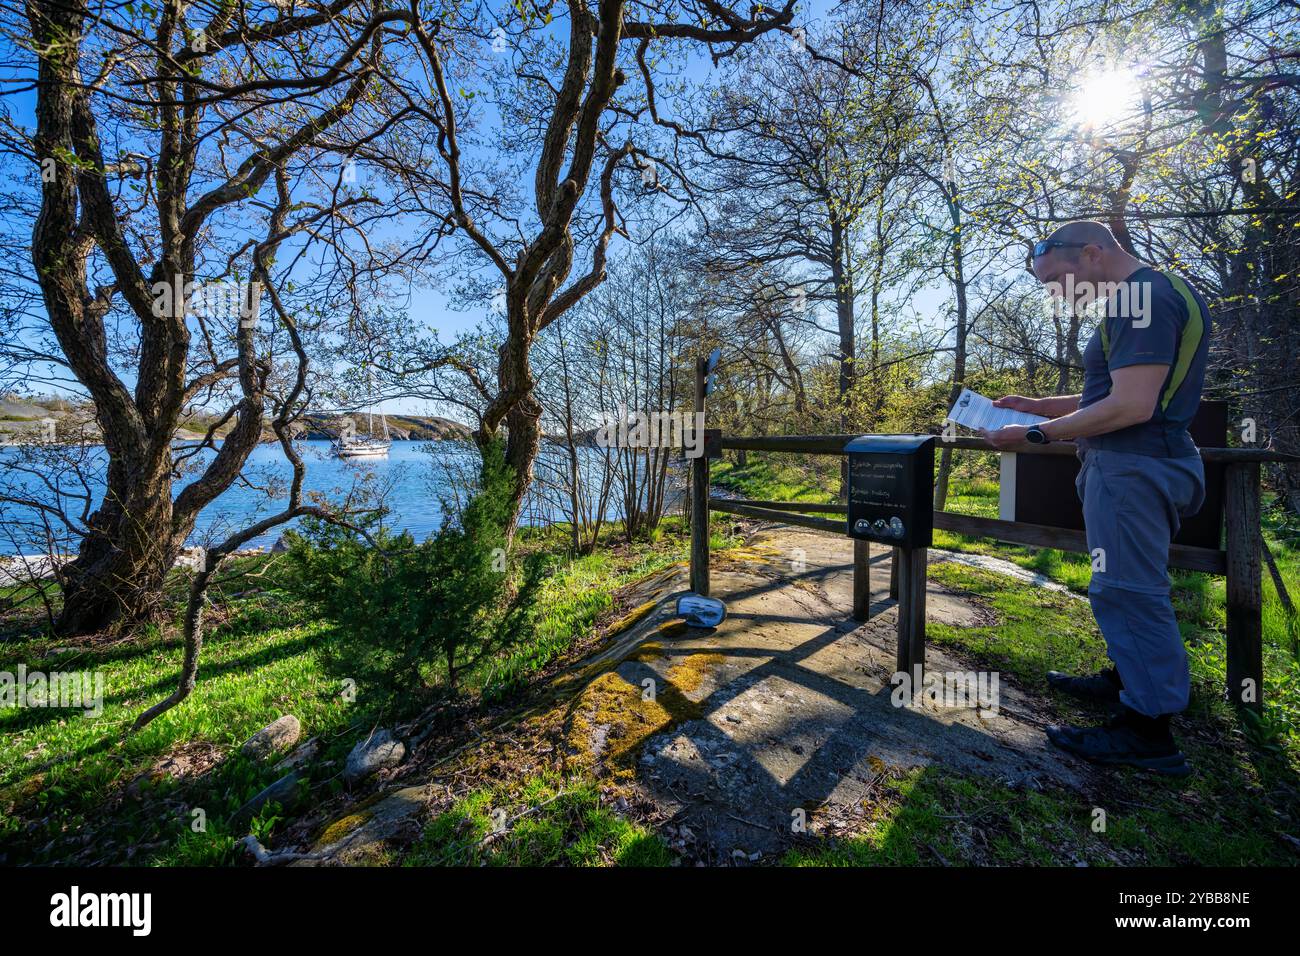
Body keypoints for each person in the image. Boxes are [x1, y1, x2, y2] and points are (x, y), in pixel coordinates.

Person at [981, 221, 1210, 777]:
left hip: (1133, 465)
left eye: (1059, 278)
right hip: (1137, 462)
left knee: (1128, 591)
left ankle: (1148, 731)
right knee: (1128, 582)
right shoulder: (1157, 292)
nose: (1057, 293)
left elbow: (1131, 406)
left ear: (1091, 252)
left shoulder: (1140, 299)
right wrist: (1040, 405)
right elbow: (1110, 393)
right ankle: (1131, 678)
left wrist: (1034, 435)